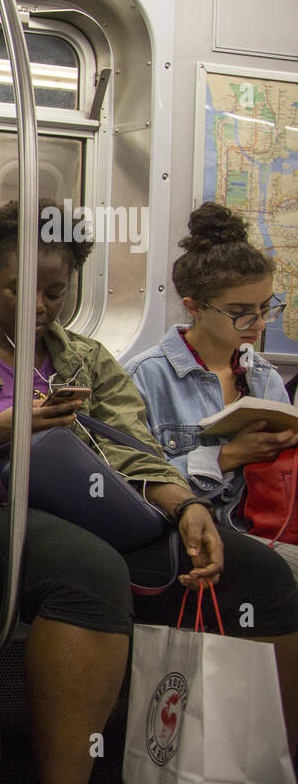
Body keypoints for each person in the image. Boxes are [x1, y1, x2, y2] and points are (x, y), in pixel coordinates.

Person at [0, 199, 298, 784]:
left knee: (261, 571)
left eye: (55, 293)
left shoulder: (87, 358)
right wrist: (0, 432)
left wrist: (187, 506)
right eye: (19, 290)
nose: (38, 308)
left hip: (91, 509)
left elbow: (135, 450)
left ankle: (275, 768)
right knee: (90, 568)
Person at [126, 203, 298, 581]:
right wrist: (225, 457)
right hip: (177, 533)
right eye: (240, 311)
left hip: (260, 529)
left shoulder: (265, 378)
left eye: (265, 308)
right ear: (195, 308)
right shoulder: (146, 377)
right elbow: (130, 485)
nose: (257, 323)